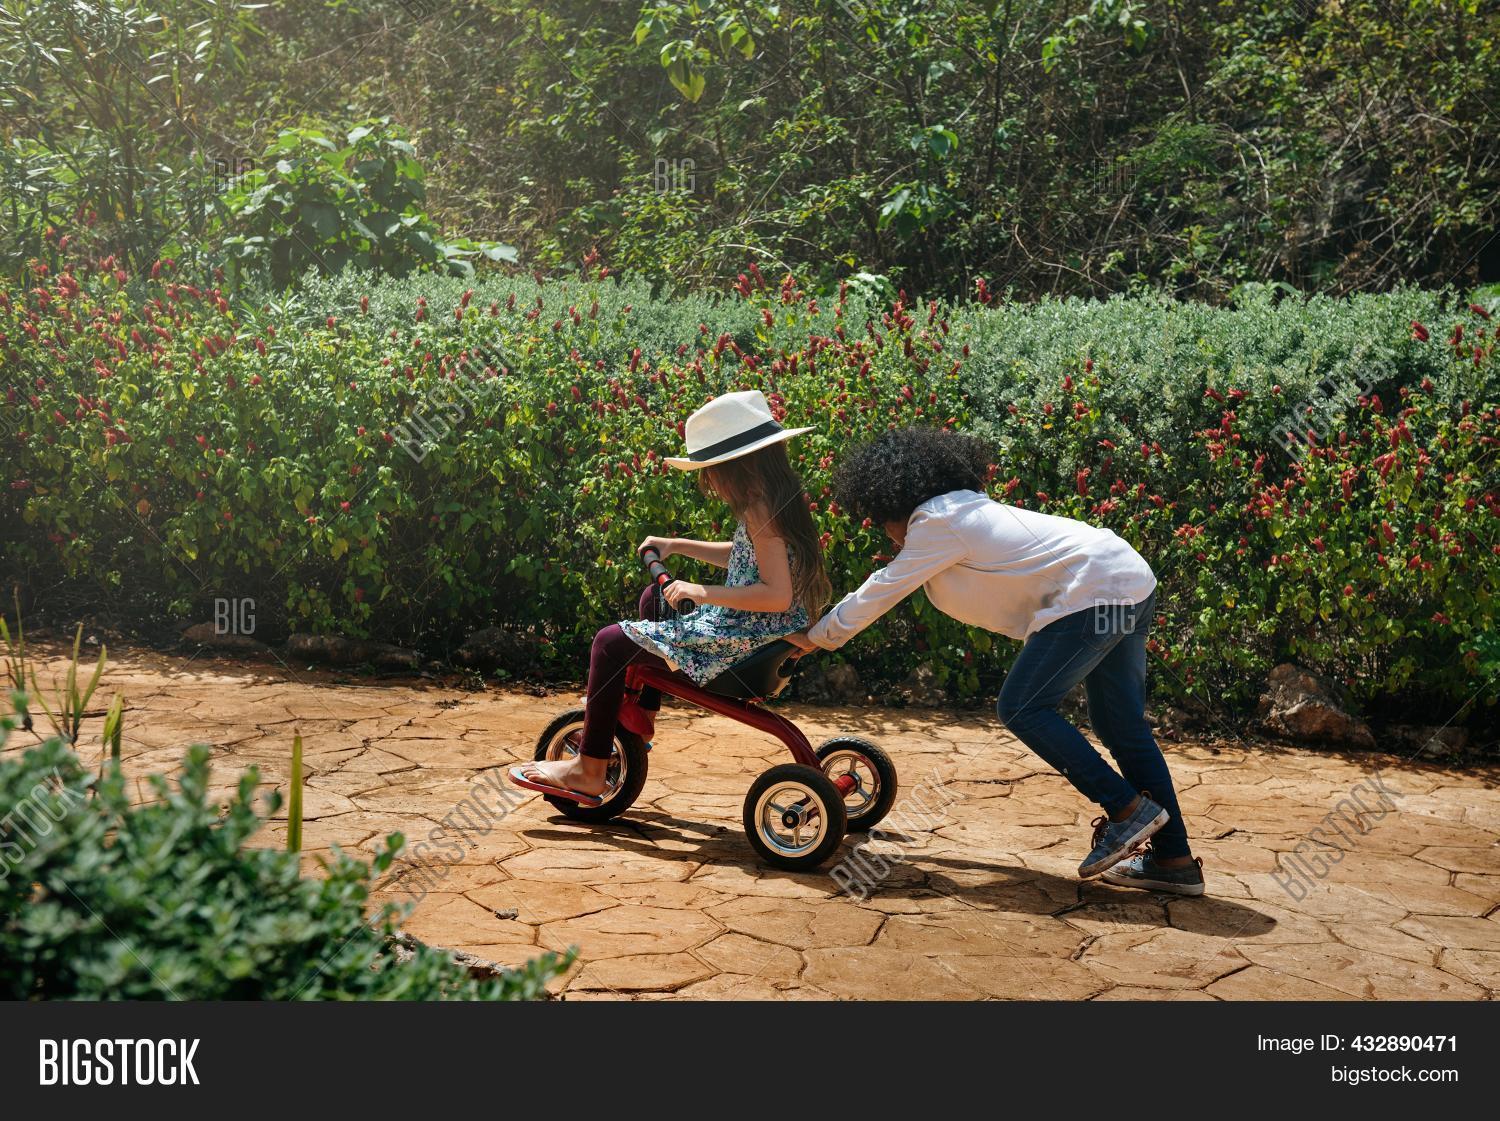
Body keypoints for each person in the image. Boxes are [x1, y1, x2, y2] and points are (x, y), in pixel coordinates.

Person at [786, 426, 1203, 895]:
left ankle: (1127, 810)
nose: (888, 535)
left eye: (883, 520)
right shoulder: (964, 507)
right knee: (1122, 728)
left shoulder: (936, 521)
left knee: (1022, 706)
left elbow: (882, 587)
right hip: (1128, 581)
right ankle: (1174, 861)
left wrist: (818, 636)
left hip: (1095, 591)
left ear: (894, 502)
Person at [511, 390, 831, 804]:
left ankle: (588, 770)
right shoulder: (774, 500)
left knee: (609, 644)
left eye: (710, 470)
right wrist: (677, 545)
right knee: (654, 600)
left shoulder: (759, 508)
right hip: (759, 635)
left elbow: (775, 593)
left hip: (743, 646)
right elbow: (748, 557)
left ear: (732, 465)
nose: (710, 482)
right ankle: (640, 716)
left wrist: (700, 590)